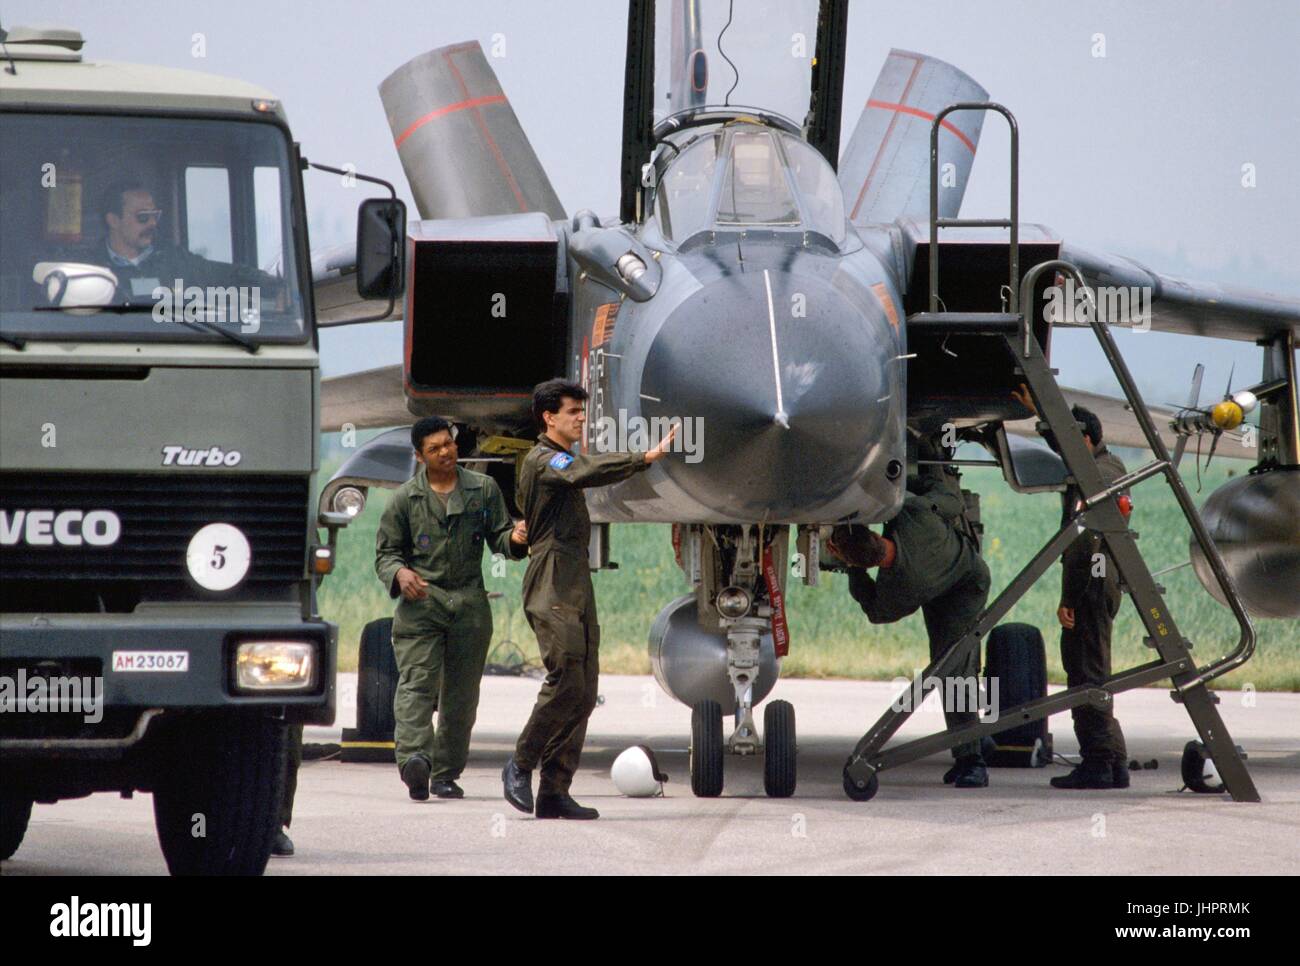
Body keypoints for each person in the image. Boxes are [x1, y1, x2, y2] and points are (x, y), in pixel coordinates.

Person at [502, 379, 677, 819]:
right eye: (573, 412)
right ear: (549, 417)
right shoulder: (545, 459)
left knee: (584, 692)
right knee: (566, 680)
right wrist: (644, 458)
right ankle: (519, 764)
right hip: (552, 578)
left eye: (583, 410)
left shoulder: (559, 459)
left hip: (575, 579)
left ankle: (555, 791)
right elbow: (584, 471)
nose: (582, 418)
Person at [375, 416, 528, 801]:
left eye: (448, 443)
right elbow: (385, 554)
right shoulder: (404, 499)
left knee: (461, 696)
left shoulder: (483, 489)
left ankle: (445, 772)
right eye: (435, 448)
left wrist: (516, 537)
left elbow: (499, 539)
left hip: (469, 605)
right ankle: (415, 762)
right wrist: (400, 574)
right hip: (421, 604)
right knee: (416, 685)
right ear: (419, 456)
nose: (445, 452)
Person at [828, 458, 991, 788]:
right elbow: (952, 500)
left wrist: (854, 570)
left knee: (953, 670)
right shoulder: (912, 513)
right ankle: (972, 736)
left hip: (962, 590)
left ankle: (972, 760)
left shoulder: (900, 587)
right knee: (955, 667)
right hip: (956, 574)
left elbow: (875, 612)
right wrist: (903, 484)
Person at [1049, 405, 1131, 790]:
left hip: (1090, 585)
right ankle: (1114, 762)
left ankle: (1098, 763)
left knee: (1085, 674)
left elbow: (1084, 542)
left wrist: (1069, 597)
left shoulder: (1093, 476)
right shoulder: (1108, 465)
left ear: (1083, 439)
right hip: (1104, 582)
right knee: (1096, 670)